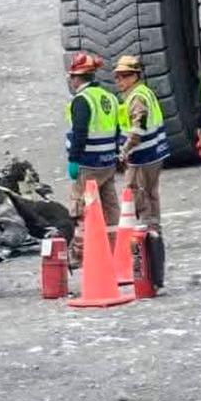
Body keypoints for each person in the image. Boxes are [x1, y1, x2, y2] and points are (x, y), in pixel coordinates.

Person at [64, 52, 121, 265]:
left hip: (88, 164)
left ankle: (80, 254)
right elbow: (117, 130)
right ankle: (116, 250)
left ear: (78, 78)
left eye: (72, 76)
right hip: (107, 162)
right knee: (110, 208)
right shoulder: (109, 98)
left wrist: (74, 159)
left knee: (80, 207)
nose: (71, 80)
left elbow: (80, 132)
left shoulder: (82, 100)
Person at [113, 56, 170, 232]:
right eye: (117, 76)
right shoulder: (142, 92)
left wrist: (124, 150)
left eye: (123, 76)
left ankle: (147, 225)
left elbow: (138, 129)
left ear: (134, 76)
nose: (119, 80)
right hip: (153, 152)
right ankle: (153, 226)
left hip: (144, 154)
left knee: (137, 190)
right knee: (149, 191)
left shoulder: (137, 97)